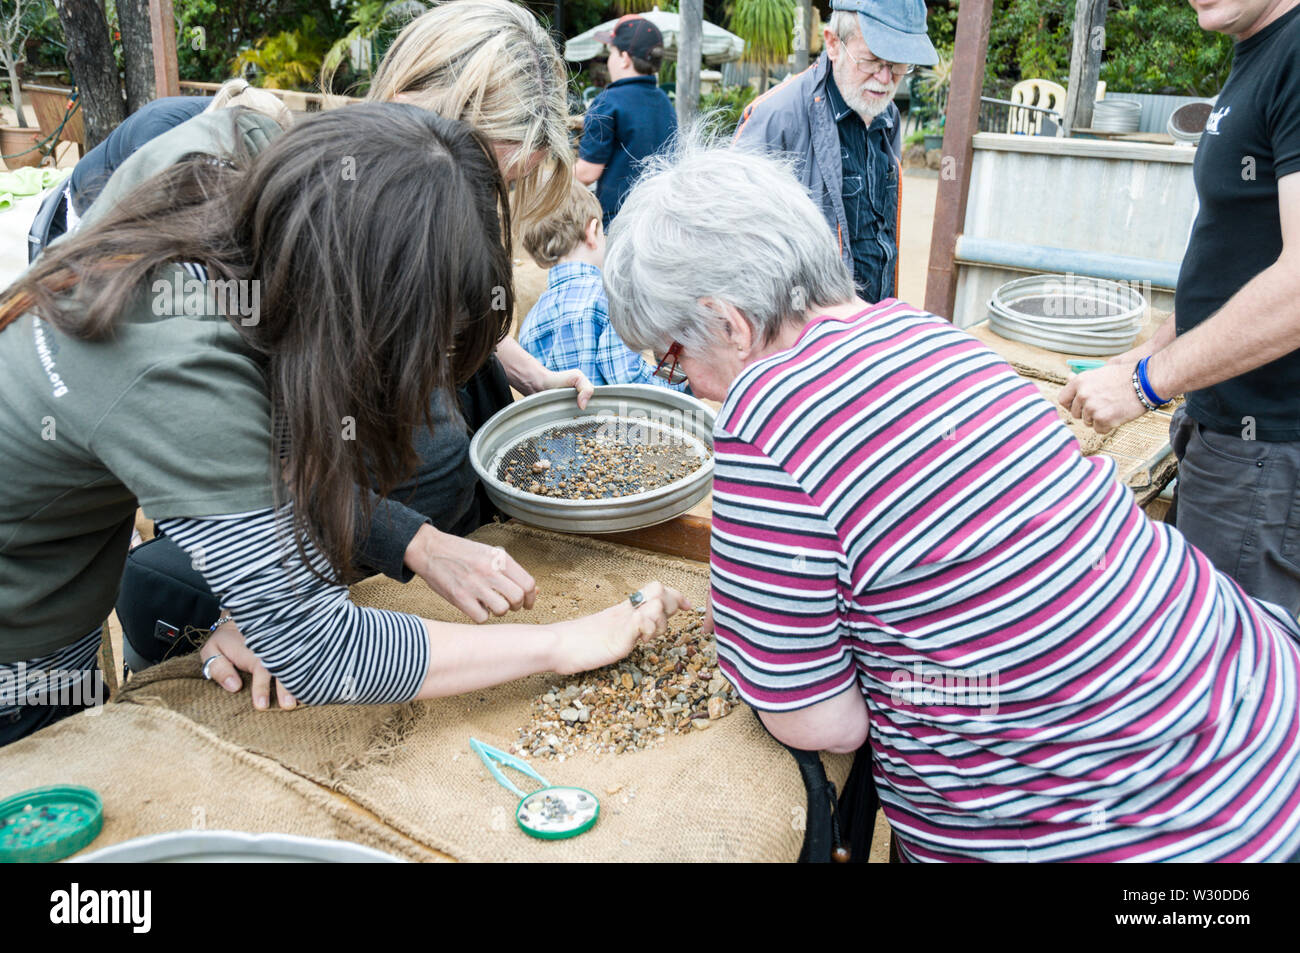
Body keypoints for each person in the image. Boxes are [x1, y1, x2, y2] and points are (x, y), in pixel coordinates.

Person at [603, 141, 1300, 861]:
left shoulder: (765, 413)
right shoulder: (923, 330)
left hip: (1144, 837)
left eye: (672, 359)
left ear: (728, 324)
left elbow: (825, 723)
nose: (686, 386)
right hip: (1257, 713)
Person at [0, 104, 688, 748]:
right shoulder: (174, 366)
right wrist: (563, 642)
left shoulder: (251, 156)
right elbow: (318, 651)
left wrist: (262, 581)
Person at [114, 0, 598, 665]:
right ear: (417, 106)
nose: (478, 200)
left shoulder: (409, 203)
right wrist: (410, 546)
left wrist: (523, 369)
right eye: (484, 173)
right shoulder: (278, 210)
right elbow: (243, 460)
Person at [1060, 0, 1300, 617]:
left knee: (1236, 678)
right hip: (1222, 431)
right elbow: (1237, 259)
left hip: (1268, 453)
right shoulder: (1258, 48)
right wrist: (1142, 355)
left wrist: (1145, 385)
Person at [733, 0, 936, 303]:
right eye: (872, 61)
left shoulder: (888, 115)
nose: (885, 79)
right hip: (805, 335)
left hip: (871, 322)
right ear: (833, 44)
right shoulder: (776, 117)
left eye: (897, 66)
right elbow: (729, 242)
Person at [518, 179, 687, 390]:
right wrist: (675, 373)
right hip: (616, 421)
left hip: (564, 424)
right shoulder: (609, 296)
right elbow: (629, 381)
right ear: (592, 230)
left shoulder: (530, 323)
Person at [574, 15, 677, 227]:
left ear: (624, 57)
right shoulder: (663, 100)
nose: (608, 60)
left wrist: (554, 177)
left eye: (610, 53)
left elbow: (587, 172)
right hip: (660, 216)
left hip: (619, 220)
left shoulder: (607, 102)